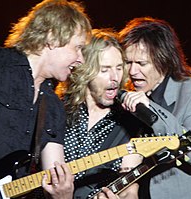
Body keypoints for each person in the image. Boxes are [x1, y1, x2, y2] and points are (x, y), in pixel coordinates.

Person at [0, 0, 91, 198]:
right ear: (53, 37)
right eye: (78, 47)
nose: (81, 59)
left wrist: (63, 194)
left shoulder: (54, 106)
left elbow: (55, 171)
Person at [114, 17, 191, 199]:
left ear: (164, 61)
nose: (132, 71)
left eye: (141, 63)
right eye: (128, 62)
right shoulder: (130, 96)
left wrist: (152, 112)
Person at [55, 28, 140, 199]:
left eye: (118, 68)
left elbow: (130, 187)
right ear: (85, 71)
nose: (114, 77)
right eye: (105, 69)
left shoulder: (130, 120)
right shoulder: (58, 108)